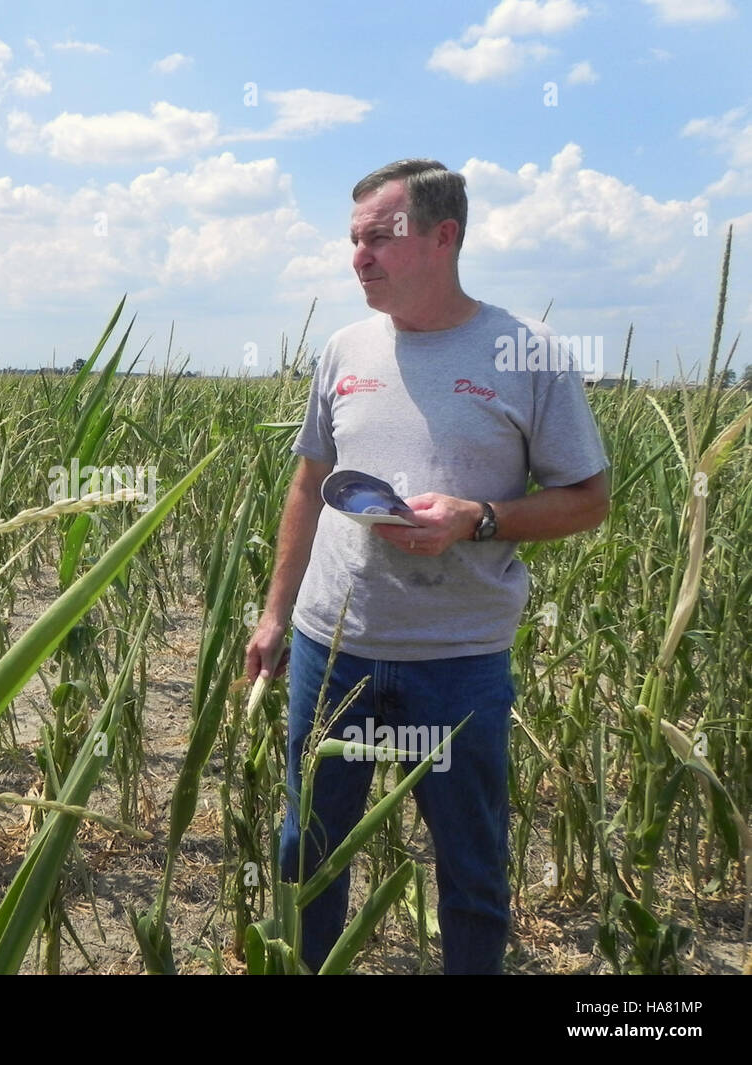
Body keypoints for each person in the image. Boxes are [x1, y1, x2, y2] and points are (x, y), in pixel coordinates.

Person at [245, 159, 610, 974]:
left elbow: (588, 498)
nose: (359, 258)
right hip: (332, 649)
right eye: (354, 241)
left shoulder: (527, 353)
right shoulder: (344, 347)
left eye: (381, 237)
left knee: (472, 873)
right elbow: (308, 480)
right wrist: (275, 614)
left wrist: (478, 519)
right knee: (307, 857)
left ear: (443, 237)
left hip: (459, 665)